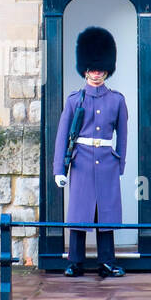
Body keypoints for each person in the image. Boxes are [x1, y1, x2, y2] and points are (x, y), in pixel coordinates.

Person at [52, 26, 128, 278]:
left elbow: (123, 135)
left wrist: (121, 163)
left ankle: (107, 261)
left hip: (106, 161)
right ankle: (75, 261)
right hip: (82, 160)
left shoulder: (117, 100)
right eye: (92, 70)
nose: (96, 74)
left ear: (106, 70)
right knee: (80, 212)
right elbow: (62, 135)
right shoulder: (75, 100)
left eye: (100, 70)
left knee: (105, 213)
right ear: (85, 70)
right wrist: (58, 170)